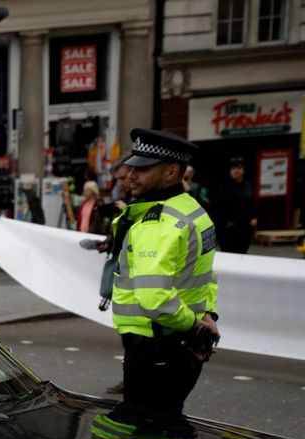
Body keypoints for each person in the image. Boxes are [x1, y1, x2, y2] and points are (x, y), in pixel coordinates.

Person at [109, 128, 219, 420]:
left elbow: (154, 299)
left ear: (171, 172)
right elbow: (205, 271)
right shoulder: (192, 210)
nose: (131, 175)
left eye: (142, 169)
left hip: (154, 344)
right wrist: (207, 315)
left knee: (139, 434)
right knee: (165, 424)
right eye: (132, 166)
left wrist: (195, 327)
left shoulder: (159, 223)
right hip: (180, 345)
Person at [211, 156, 256, 254]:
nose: (236, 171)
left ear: (243, 170)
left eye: (239, 168)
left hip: (245, 228)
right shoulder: (223, 188)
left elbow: (253, 204)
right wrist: (224, 222)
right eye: (233, 168)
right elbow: (216, 207)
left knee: (243, 254)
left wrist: (253, 218)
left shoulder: (249, 186)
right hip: (228, 230)